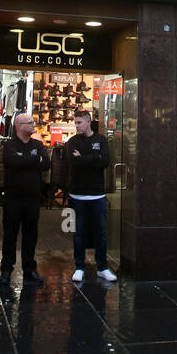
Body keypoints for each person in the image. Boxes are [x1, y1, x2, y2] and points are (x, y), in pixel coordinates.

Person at [0, 112, 50, 286]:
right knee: (10, 235)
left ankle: (30, 269)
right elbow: (13, 163)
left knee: (31, 235)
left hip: (32, 198)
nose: (33, 125)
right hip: (13, 198)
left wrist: (27, 160)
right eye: (29, 123)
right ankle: (6, 269)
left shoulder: (37, 143)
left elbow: (46, 164)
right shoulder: (9, 145)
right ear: (19, 126)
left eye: (32, 122)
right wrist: (35, 159)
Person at [66, 109, 116, 283]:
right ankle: (79, 266)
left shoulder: (101, 140)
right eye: (75, 122)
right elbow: (73, 162)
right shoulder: (72, 142)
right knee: (77, 232)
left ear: (88, 121)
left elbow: (105, 161)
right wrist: (94, 158)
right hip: (77, 196)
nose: (76, 126)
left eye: (79, 122)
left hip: (97, 195)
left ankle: (102, 267)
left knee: (101, 233)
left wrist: (84, 158)